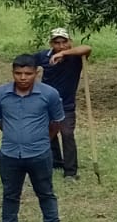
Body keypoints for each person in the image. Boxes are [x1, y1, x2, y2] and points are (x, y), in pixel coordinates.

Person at [0, 54, 65, 222]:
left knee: (45, 192)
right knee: (10, 194)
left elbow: (57, 122)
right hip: (9, 154)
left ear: (36, 73)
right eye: (18, 73)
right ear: (12, 73)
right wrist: (15, 136)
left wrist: (41, 140)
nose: (23, 78)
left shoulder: (49, 95)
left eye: (28, 73)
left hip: (39, 153)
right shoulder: (0, 94)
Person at [31, 28, 92, 180]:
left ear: (70, 42)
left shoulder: (76, 57)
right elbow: (25, 64)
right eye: (57, 43)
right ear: (51, 43)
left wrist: (63, 53)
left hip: (66, 105)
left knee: (67, 134)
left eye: (64, 42)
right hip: (46, 103)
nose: (61, 45)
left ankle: (70, 172)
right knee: (49, 133)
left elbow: (87, 48)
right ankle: (56, 162)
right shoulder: (44, 56)